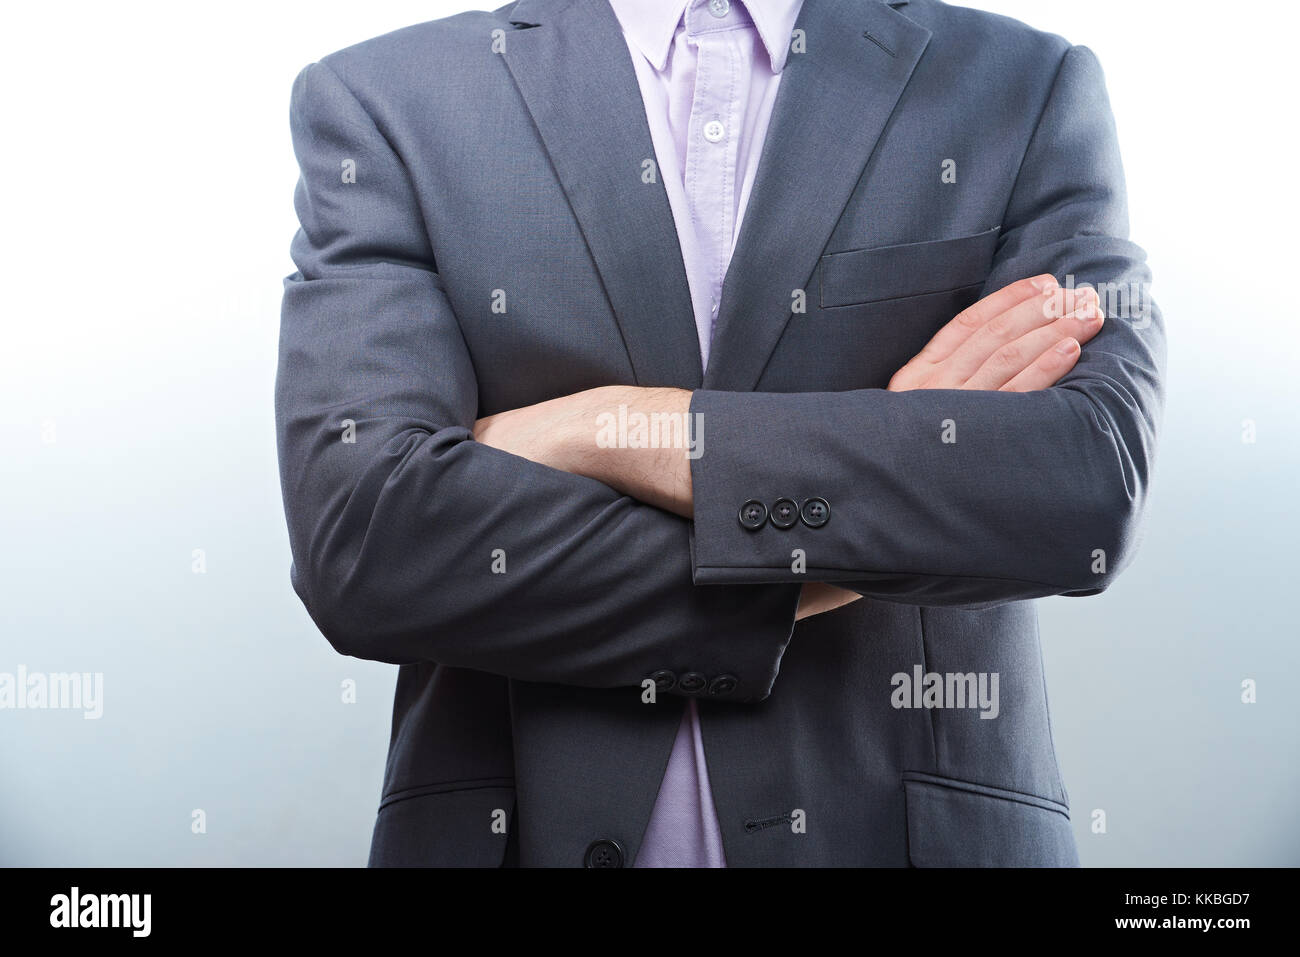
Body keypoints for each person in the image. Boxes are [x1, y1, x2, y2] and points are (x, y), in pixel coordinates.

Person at [275, 0, 1164, 867]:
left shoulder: (1023, 87)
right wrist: (875, 493)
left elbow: (1081, 484)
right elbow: (362, 537)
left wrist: (603, 429)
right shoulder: (385, 101)